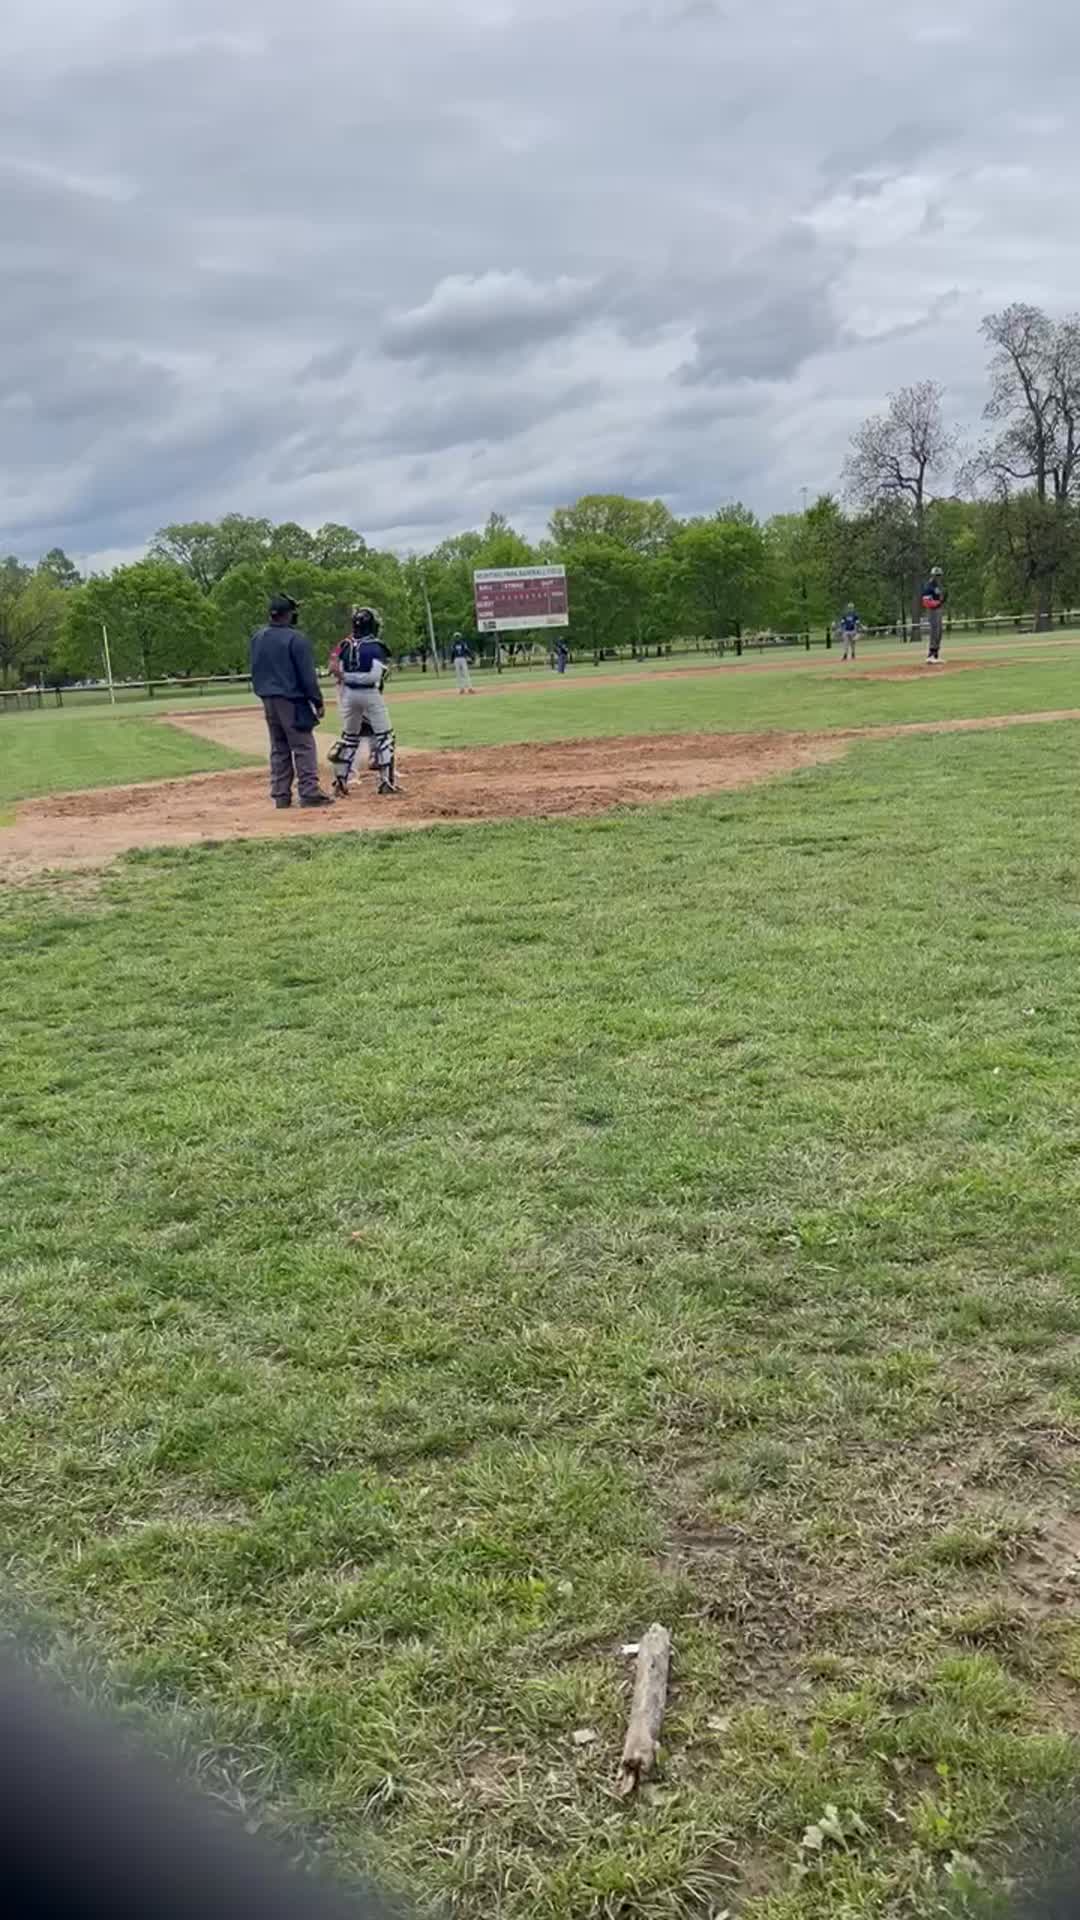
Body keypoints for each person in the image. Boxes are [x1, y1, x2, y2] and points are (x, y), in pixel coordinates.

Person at [249, 594, 331, 809]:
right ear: (289, 614)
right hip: (292, 700)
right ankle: (309, 791)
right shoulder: (296, 639)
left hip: (268, 699)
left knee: (279, 747)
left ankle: (281, 794)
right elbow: (306, 677)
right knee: (303, 745)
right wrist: (318, 701)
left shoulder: (258, 637)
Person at [327, 607, 402, 798]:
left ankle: (340, 781)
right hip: (369, 694)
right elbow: (373, 677)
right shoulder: (376, 646)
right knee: (385, 736)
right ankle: (386, 781)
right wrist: (357, 678)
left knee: (349, 737)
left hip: (349, 695)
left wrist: (349, 678)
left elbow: (339, 671)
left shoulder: (345, 645)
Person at [922, 566, 946, 662]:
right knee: (934, 630)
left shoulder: (937, 586)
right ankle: (930, 654)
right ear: (933, 575)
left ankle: (936, 653)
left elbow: (938, 598)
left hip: (938, 610)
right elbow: (926, 601)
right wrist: (937, 603)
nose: (939, 577)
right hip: (932, 610)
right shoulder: (929, 586)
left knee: (939, 631)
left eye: (939, 575)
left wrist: (941, 601)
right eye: (937, 575)